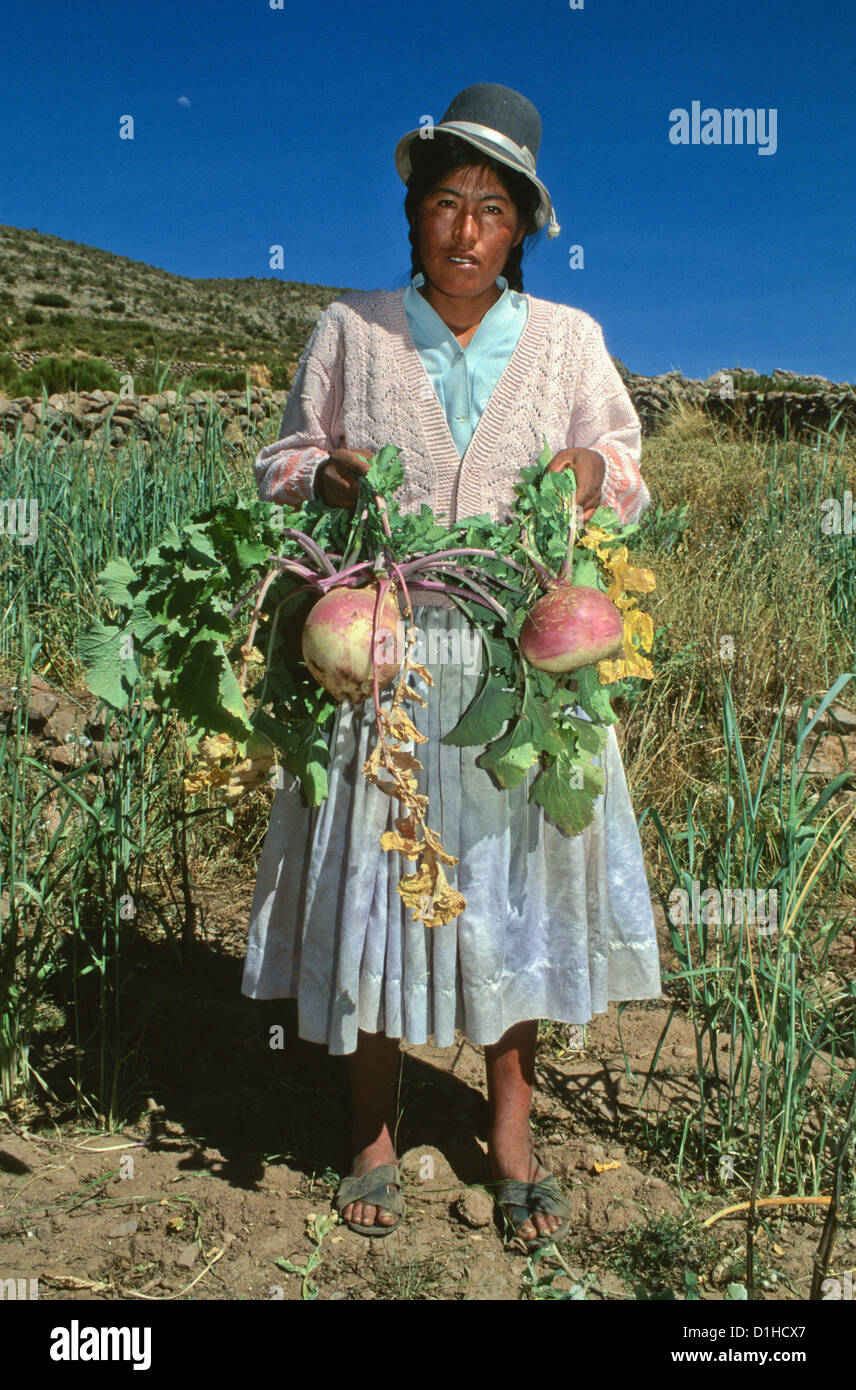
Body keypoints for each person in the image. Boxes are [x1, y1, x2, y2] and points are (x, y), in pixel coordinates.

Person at [242, 83, 662, 1252]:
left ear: (521, 226)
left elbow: (626, 467)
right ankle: (372, 1132)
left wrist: (585, 469)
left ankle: (511, 1135)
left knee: (513, 896)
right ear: (415, 214)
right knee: (381, 889)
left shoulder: (570, 339)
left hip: (522, 664)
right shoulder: (352, 328)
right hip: (379, 656)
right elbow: (283, 459)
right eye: (444, 204)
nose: (465, 230)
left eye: (491, 208)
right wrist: (330, 475)